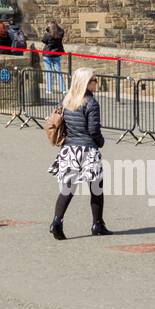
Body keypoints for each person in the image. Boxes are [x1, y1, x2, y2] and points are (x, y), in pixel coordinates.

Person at [48, 68, 109, 239]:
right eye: (94, 80)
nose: (96, 82)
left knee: (67, 188)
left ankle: (56, 221)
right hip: (87, 149)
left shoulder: (67, 100)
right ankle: (97, 223)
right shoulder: (91, 103)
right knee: (96, 188)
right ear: (86, 83)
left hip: (69, 149)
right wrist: (101, 142)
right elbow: (93, 130)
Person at [41, 21, 66, 94]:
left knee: (48, 72)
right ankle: (63, 89)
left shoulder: (48, 35)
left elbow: (43, 41)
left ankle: (49, 89)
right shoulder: (60, 34)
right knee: (58, 72)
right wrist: (56, 26)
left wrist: (47, 30)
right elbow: (62, 30)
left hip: (47, 55)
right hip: (56, 54)